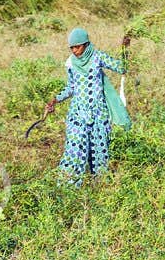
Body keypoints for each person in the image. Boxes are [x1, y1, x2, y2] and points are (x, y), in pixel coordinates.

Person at [45, 27, 130, 182]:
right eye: (72, 48)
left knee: (99, 152)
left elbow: (122, 67)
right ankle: (68, 185)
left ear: (86, 44)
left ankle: (99, 186)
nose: (75, 51)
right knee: (74, 149)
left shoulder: (97, 57)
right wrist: (55, 99)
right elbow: (71, 87)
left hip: (98, 114)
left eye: (77, 47)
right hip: (78, 113)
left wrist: (124, 49)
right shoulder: (71, 63)